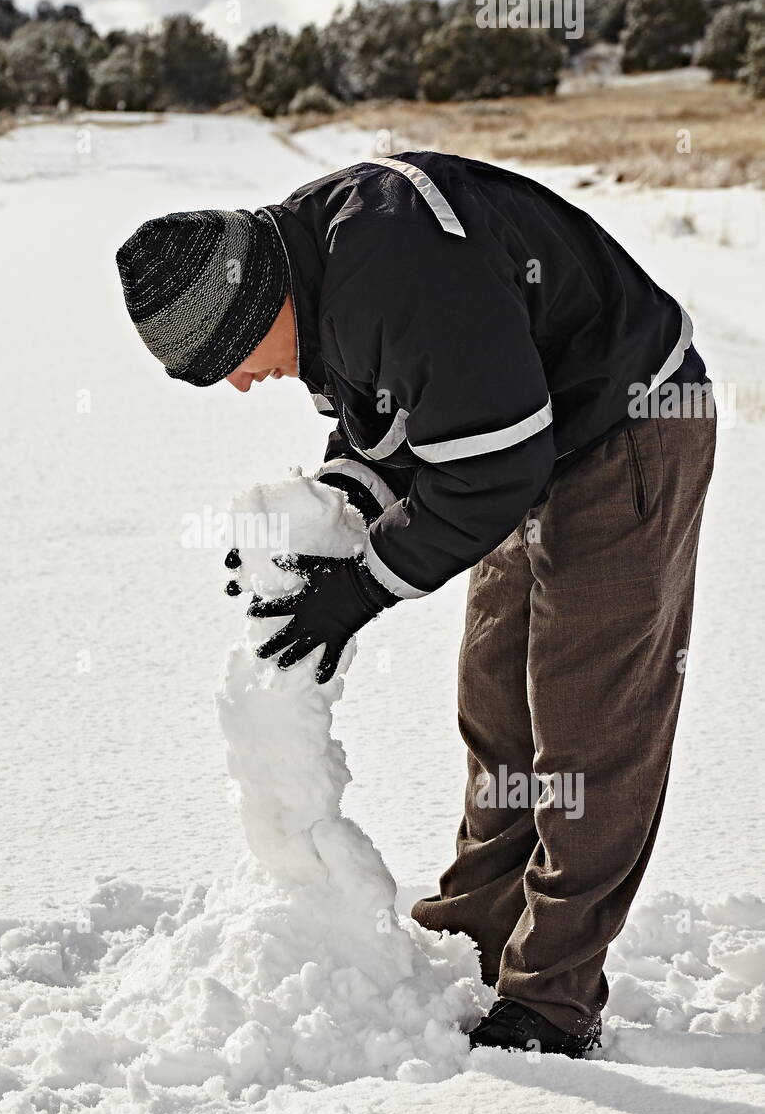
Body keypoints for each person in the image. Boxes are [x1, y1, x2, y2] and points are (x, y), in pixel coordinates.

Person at [115, 150, 716, 1059]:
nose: (239, 385)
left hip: (624, 424)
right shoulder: (308, 260)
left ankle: (550, 1002)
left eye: (226, 364)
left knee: (586, 726)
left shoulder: (395, 271)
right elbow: (403, 413)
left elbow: (488, 468)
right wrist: (325, 521)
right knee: (498, 707)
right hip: (530, 434)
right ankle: (473, 933)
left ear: (248, 307)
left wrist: (359, 588)